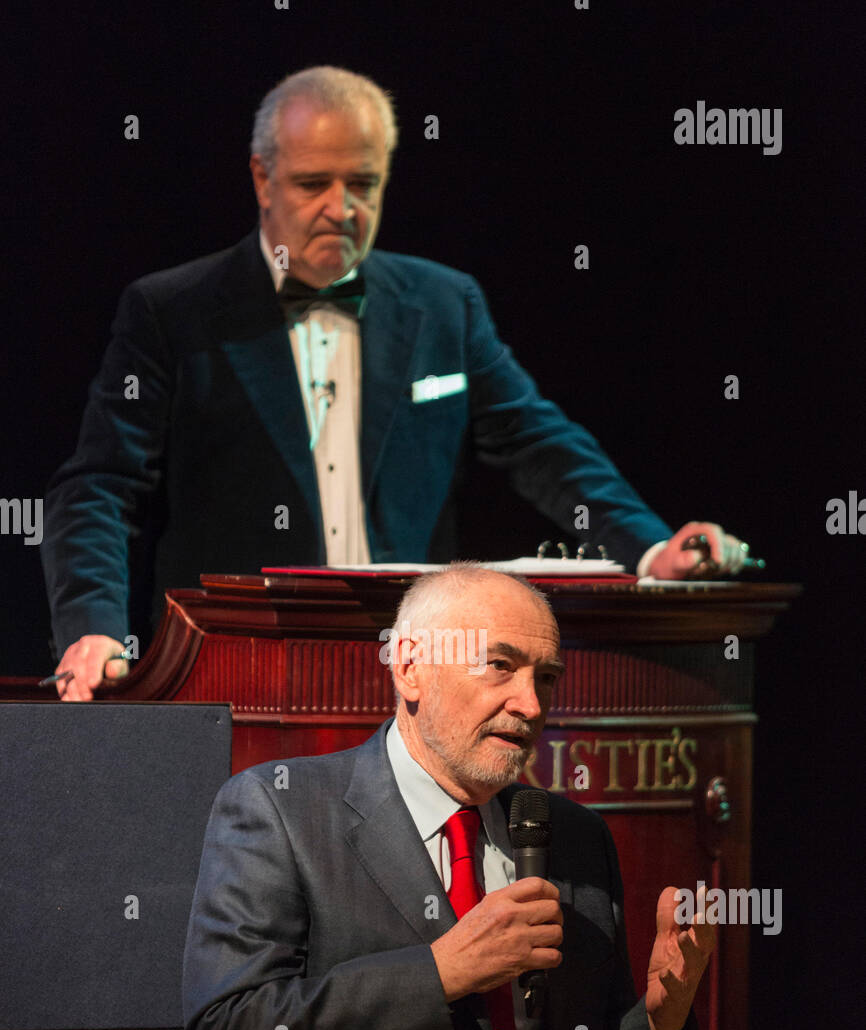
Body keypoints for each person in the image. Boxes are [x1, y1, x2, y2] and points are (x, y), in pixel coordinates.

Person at [41, 64, 748, 703]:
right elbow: (99, 487)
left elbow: (541, 443)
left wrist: (652, 549)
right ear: (262, 178)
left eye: (364, 184)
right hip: (240, 674)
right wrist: (94, 628)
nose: (343, 209)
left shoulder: (443, 304)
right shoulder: (173, 312)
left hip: (416, 675)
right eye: (314, 184)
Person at [182, 563, 714, 1030]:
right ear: (410, 668)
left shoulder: (573, 840)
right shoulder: (281, 811)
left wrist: (661, 1020)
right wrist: (438, 974)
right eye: (500, 666)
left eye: (546, 678)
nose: (529, 704)